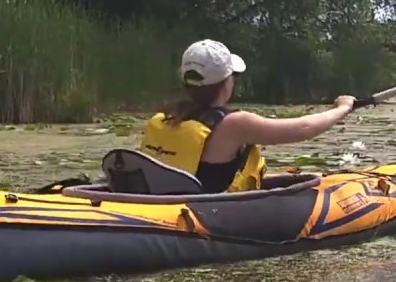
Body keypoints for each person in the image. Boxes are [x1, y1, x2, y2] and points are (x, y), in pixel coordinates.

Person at [139, 39, 357, 193]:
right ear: (227, 81)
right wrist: (341, 109)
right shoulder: (235, 124)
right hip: (204, 214)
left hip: (165, 202)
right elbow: (303, 128)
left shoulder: (167, 115)